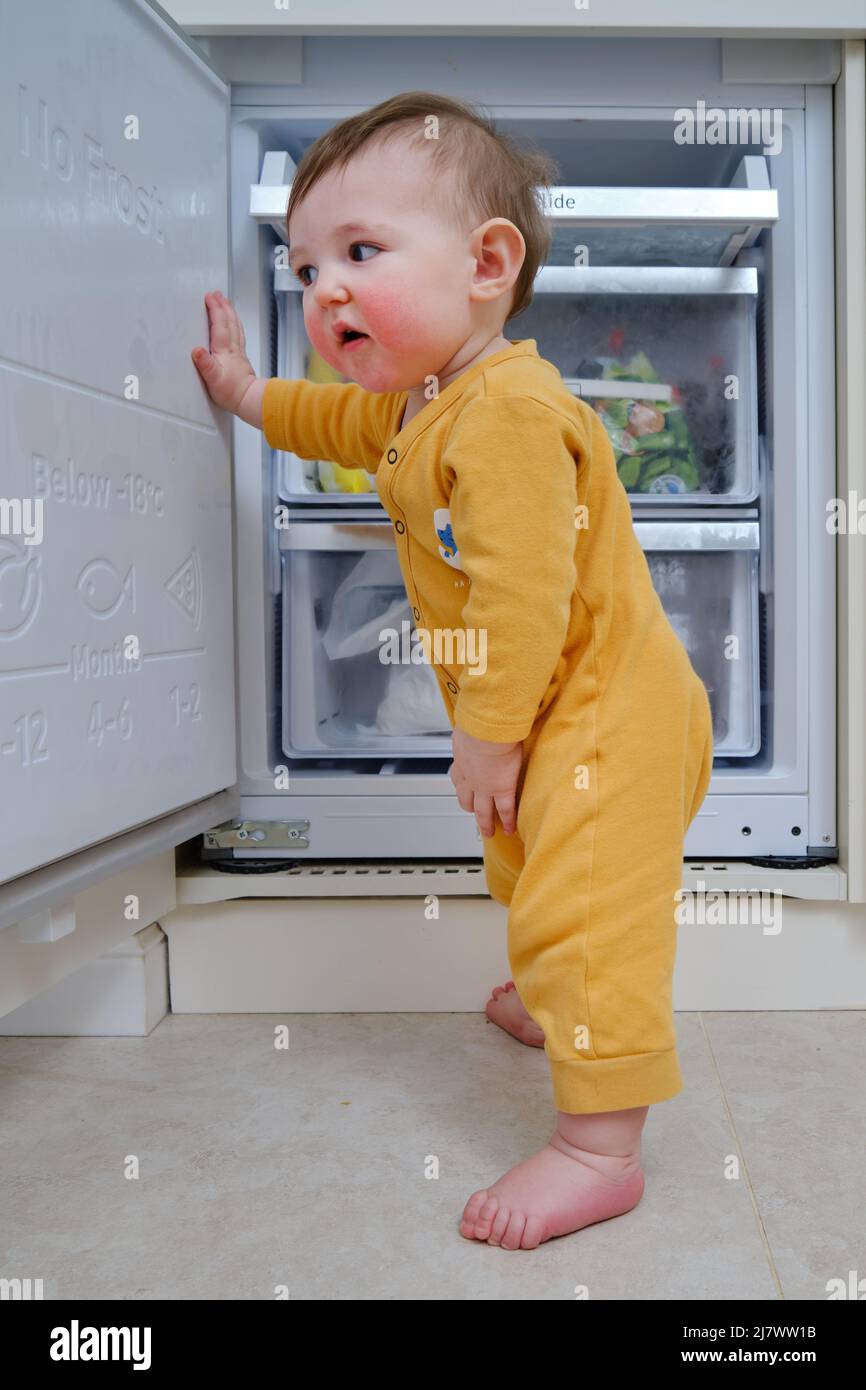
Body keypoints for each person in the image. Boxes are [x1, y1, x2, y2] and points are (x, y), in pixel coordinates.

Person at [192, 91, 715, 1252]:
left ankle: (597, 1149)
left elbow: (521, 604)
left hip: (607, 714)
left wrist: (485, 732)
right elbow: (331, 420)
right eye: (306, 263)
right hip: (559, 708)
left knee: (590, 917)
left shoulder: (510, 417)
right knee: (525, 861)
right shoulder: (420, 404)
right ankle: (546, 998)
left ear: (485, 263)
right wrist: (241, 395)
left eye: (360, 252)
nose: (324, 287)